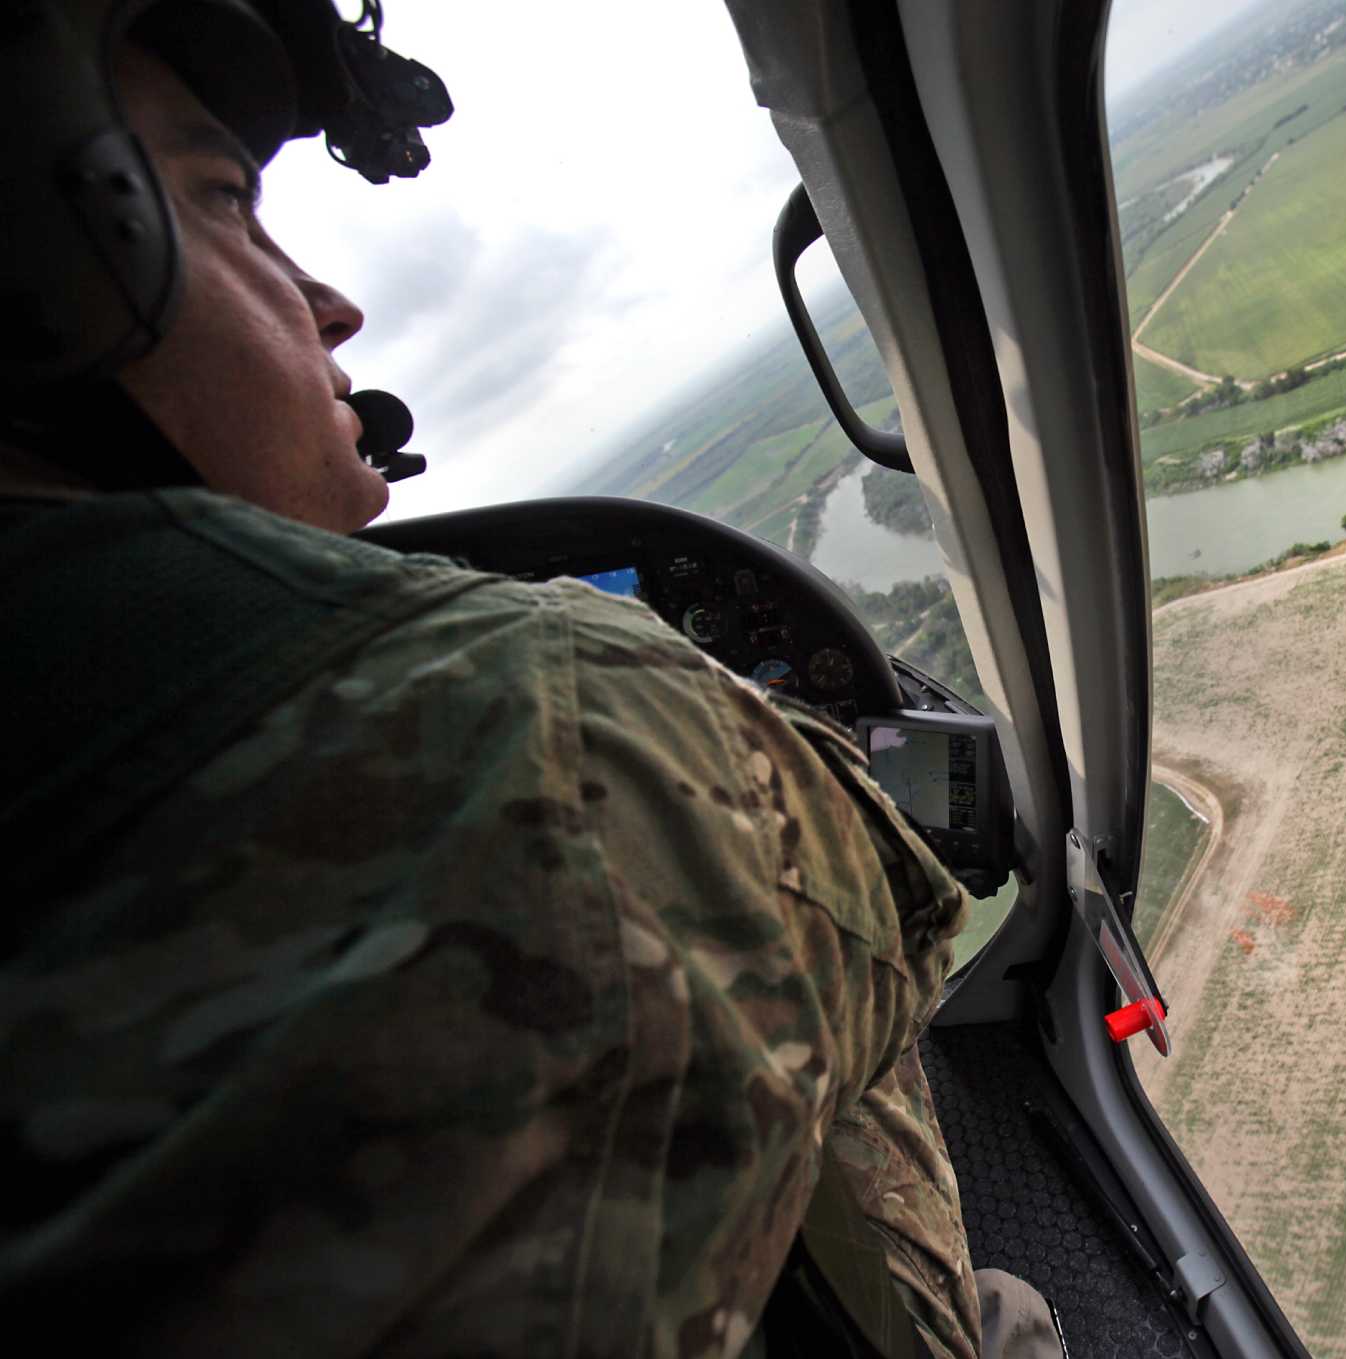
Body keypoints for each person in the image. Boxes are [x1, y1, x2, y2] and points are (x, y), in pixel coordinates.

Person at [0, 5, 1058, 1355]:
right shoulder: (553, 717)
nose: (335, 304)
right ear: (61, 276)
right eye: (221, 200)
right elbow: (899, 903)